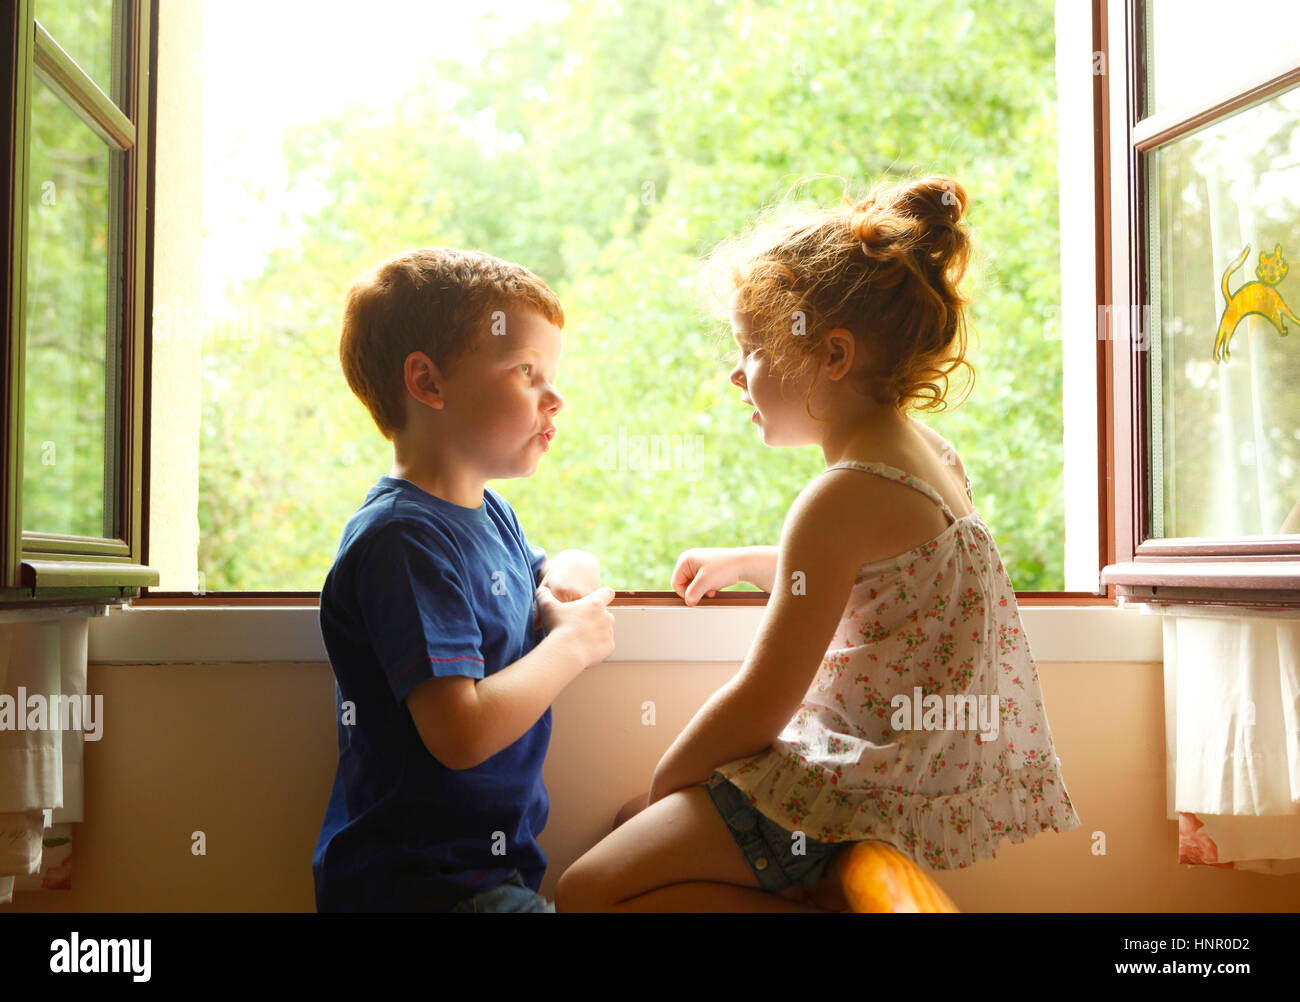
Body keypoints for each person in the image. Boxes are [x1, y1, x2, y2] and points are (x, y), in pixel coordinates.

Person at [555, 174, 1081, 912]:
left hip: (845, 788)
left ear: (833, 355)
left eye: (751, 350)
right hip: (896, 779)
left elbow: (759, 703)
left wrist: (669, 784)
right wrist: (752, 563)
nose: (735, 374)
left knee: (584, 892)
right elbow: (892, 585)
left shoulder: (838, 496)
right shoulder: (930, 455)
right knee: (624, 827)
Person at [312, 247, 615, 912]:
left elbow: (545, 573)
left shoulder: (487, 513)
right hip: (419, 887)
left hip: (484, 873)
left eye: (553, 375)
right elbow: (461, 733)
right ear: (428, 382)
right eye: (527, 371)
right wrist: (572, 645)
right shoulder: (402, 540)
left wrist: (570, 569)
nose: (556, 396)